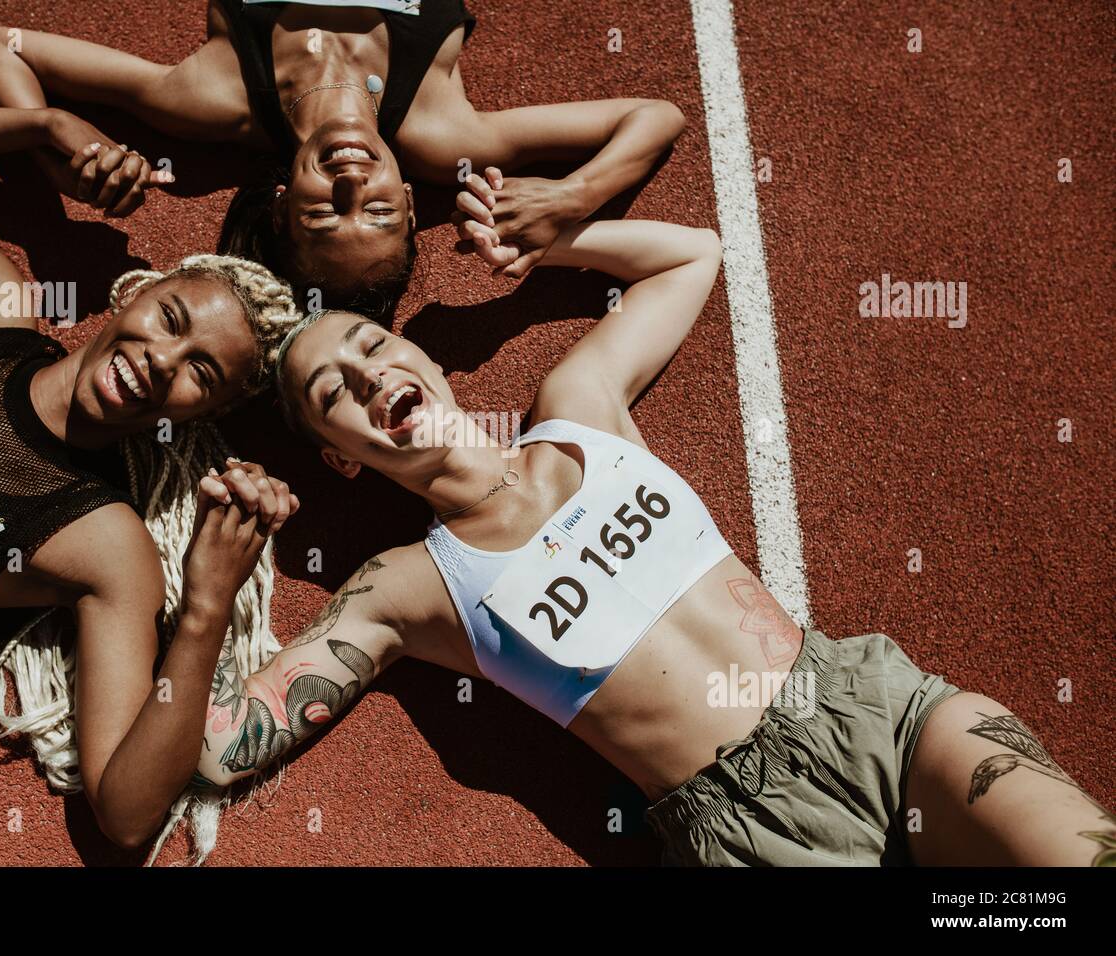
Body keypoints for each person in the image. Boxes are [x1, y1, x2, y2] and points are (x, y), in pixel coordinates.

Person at [198, 177, 1114, 865]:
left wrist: (544, 244)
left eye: (370, 346)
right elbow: (220, 745)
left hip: (867, 710)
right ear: (341, 456)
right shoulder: (405, 585)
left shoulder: (578, 408)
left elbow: (693, 255)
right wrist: (204, 582)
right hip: (753, 833)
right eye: (334, 395)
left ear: (417, 355)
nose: (367, 378)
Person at [0, 104, 301, 850]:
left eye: (200, 372)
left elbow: (128, 813)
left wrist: (205, 608)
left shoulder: (104, 543)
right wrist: (45, 128)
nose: (161, 362)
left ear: (205, 413)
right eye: (171, 318)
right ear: (134, 292)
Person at [0, 1, 686, 312]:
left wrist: (56, 146)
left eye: (322, 212)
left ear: (280, 202)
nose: (349, 182)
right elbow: (654, 115)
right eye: (373, 208)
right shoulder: (444, 134)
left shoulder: (215, 99)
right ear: (408, 201)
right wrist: (572, 198)